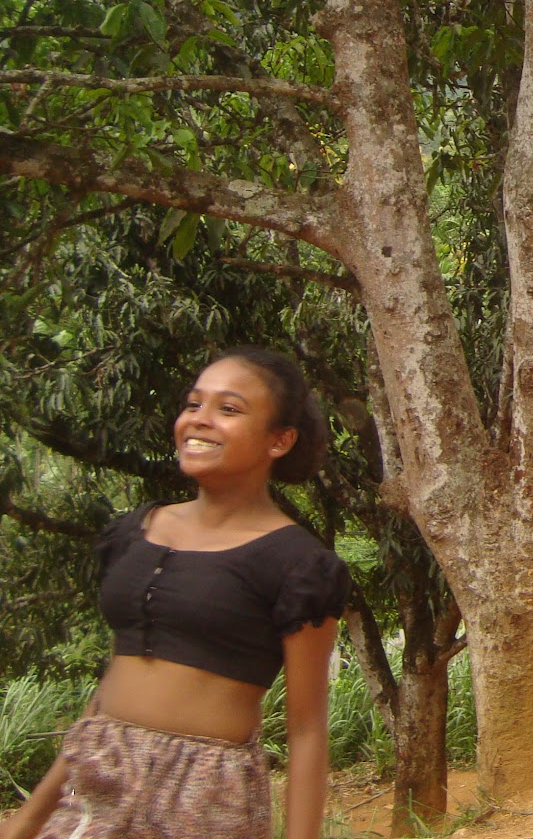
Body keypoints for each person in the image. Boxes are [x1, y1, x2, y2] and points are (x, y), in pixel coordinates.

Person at [1, 348, 351, 839]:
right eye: (192, 405)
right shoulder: (134, 532)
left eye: (228, 409)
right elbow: (107, 695)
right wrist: (28, 820)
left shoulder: (298, 565)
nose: (199, 421)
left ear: (280, 440)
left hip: (204, 793)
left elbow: (307, 729)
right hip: (98, 769)